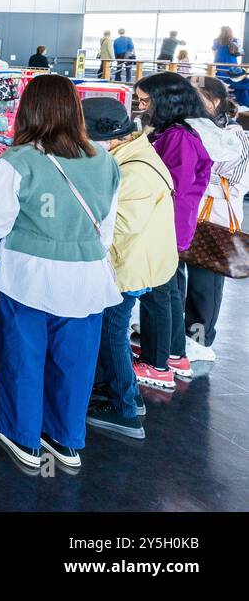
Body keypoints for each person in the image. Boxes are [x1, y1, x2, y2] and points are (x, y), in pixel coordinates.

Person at [0, 73, 121, 471]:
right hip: (88, 278)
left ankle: (22, 434)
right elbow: (106, 228)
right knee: (75, 362)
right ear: (75, 110)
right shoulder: (104, 160)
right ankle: (65, 438)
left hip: (29, 276)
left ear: (29, 110)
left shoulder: (19, 160)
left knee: (21, 356)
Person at [80, 98, 174, 441]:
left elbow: (117, 225)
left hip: (129, 267)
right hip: (135, 262)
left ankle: (124, 411)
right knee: (113, 333)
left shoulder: (133, 170)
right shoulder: (132, 157)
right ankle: (128, 397)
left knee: (112, 334)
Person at [131, 72, 212, 392]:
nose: (140, 107)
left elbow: (169, 186)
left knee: (157, 294)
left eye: (145, 101)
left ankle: (156, 363)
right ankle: (173, 353)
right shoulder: (177, 133)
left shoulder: (178, 138)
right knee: (168, 292)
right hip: (169, 227)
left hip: (164, 227)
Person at [182, 76, 249, 361]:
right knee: (172, 279)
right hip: (184, 215)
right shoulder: (186, 129)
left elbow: (234, 179)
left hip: (212, 219)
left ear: (215, 101)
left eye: (198, 97)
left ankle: (199, 340)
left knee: (203, 284)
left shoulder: (236, 136)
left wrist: (193, 177)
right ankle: (175, 333)